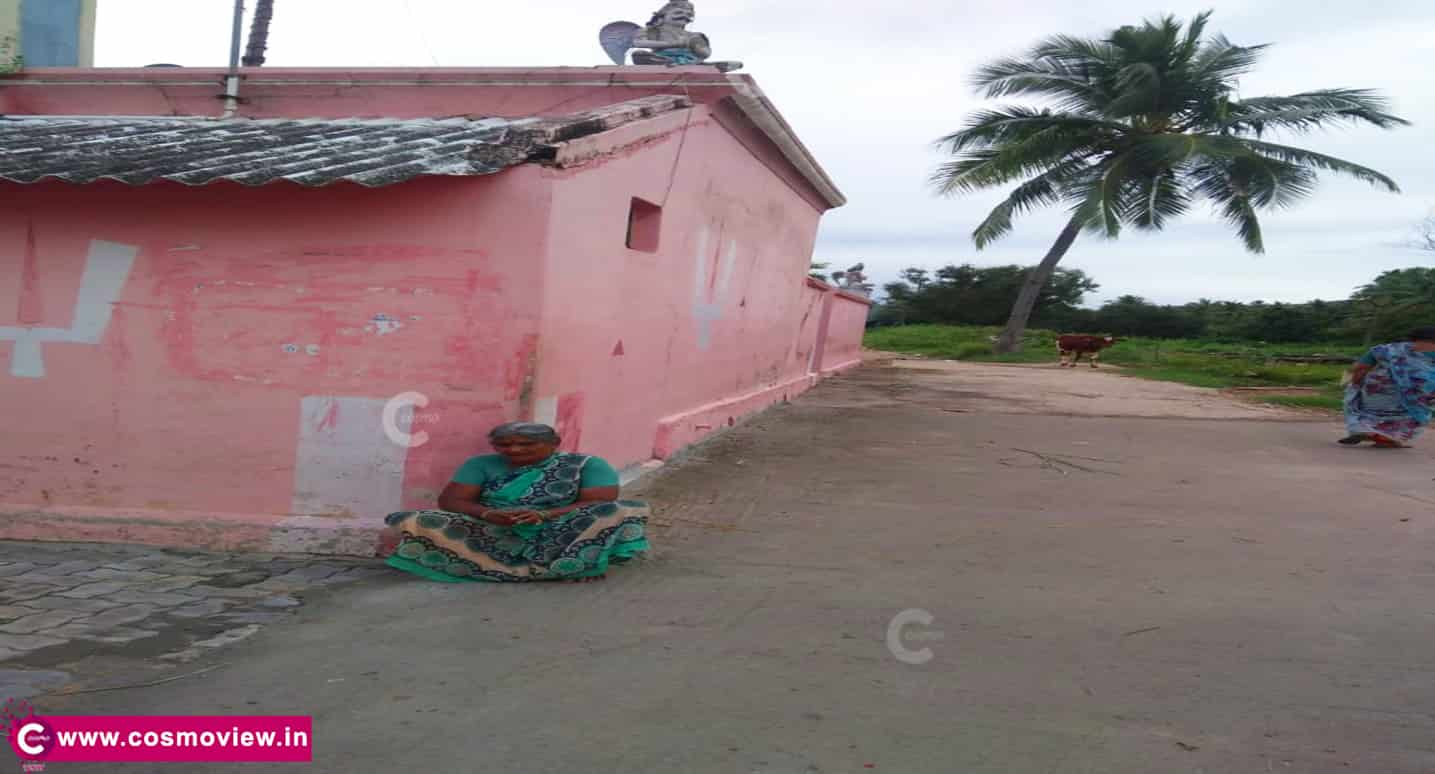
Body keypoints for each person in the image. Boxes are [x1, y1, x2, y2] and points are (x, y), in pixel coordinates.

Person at [383, 422, 650, 582]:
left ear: (553, 444)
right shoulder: (481, 464)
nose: (514, 450)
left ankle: (578, 565)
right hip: (493, 527)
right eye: (504, 445)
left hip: (562, 526)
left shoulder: (586, 464)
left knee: (615, 511)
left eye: (525, 444)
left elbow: (598, 502)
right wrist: (488, 514)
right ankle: (490, 566)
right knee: (416, 519)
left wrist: (545, 515)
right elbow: (451, 500)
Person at [1339, 327, 1435, 448]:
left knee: (1372, 411)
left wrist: (1355, 384)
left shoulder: (1388, 348)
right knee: (1407, 415)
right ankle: (1382, 437)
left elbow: (1361, 367)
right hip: (1415, 390)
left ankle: (1370, 432)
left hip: (1377, 386)